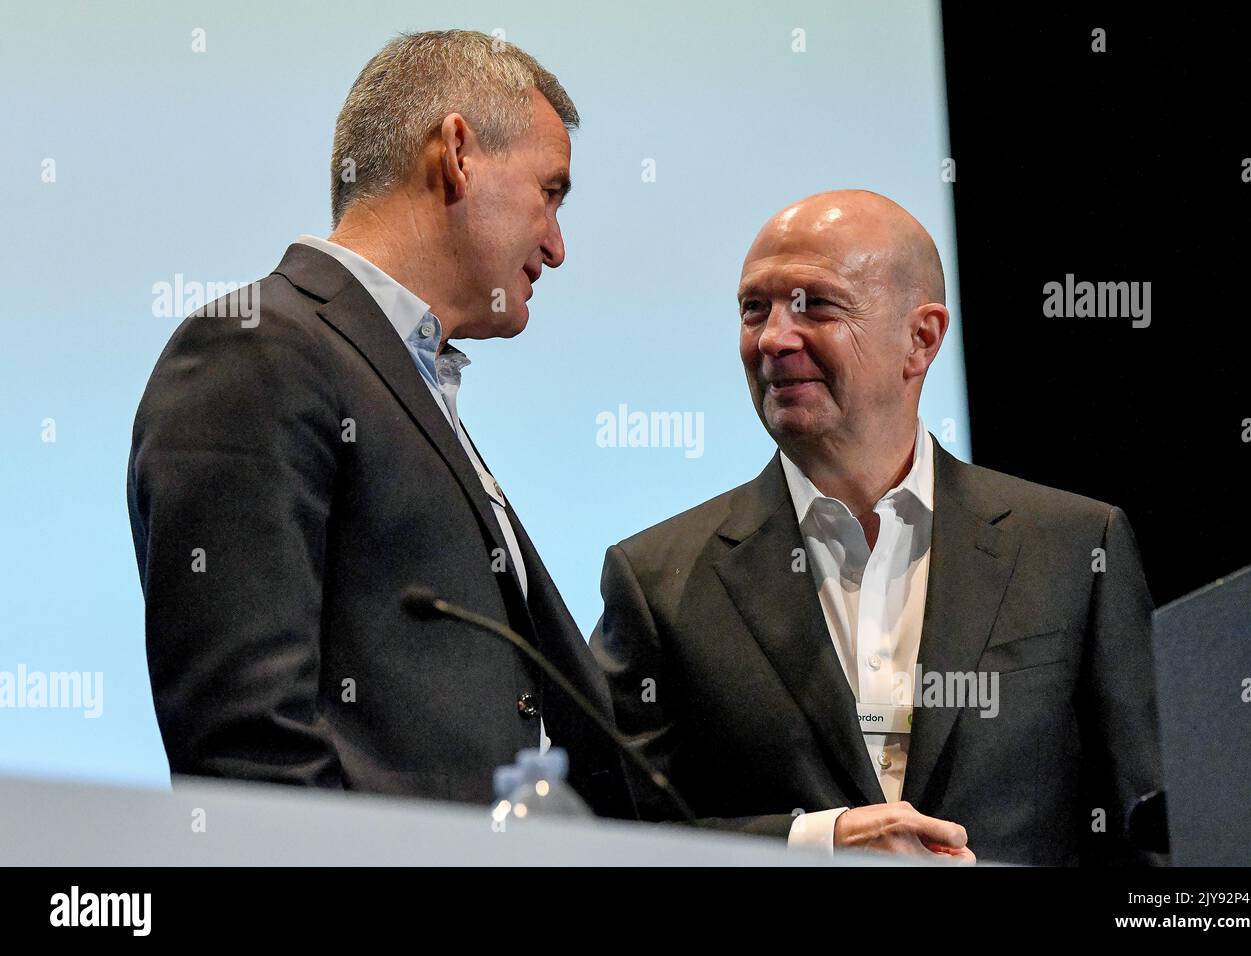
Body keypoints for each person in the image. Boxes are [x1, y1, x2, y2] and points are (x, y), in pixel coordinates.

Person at [128, 30, 627, 813]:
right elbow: (246, 743)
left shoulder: (396, 372)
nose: (557, 247)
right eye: (551, 191)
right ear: (458, 153)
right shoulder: (255, 348)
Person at [591, 190, 1162, 863]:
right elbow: (608, 837)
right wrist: (819, 843)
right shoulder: (657, 579)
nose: (773, 338)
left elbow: (1148, 827)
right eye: (754, 309)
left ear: (920, 339)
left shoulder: (1074, 546)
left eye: (815, 305)